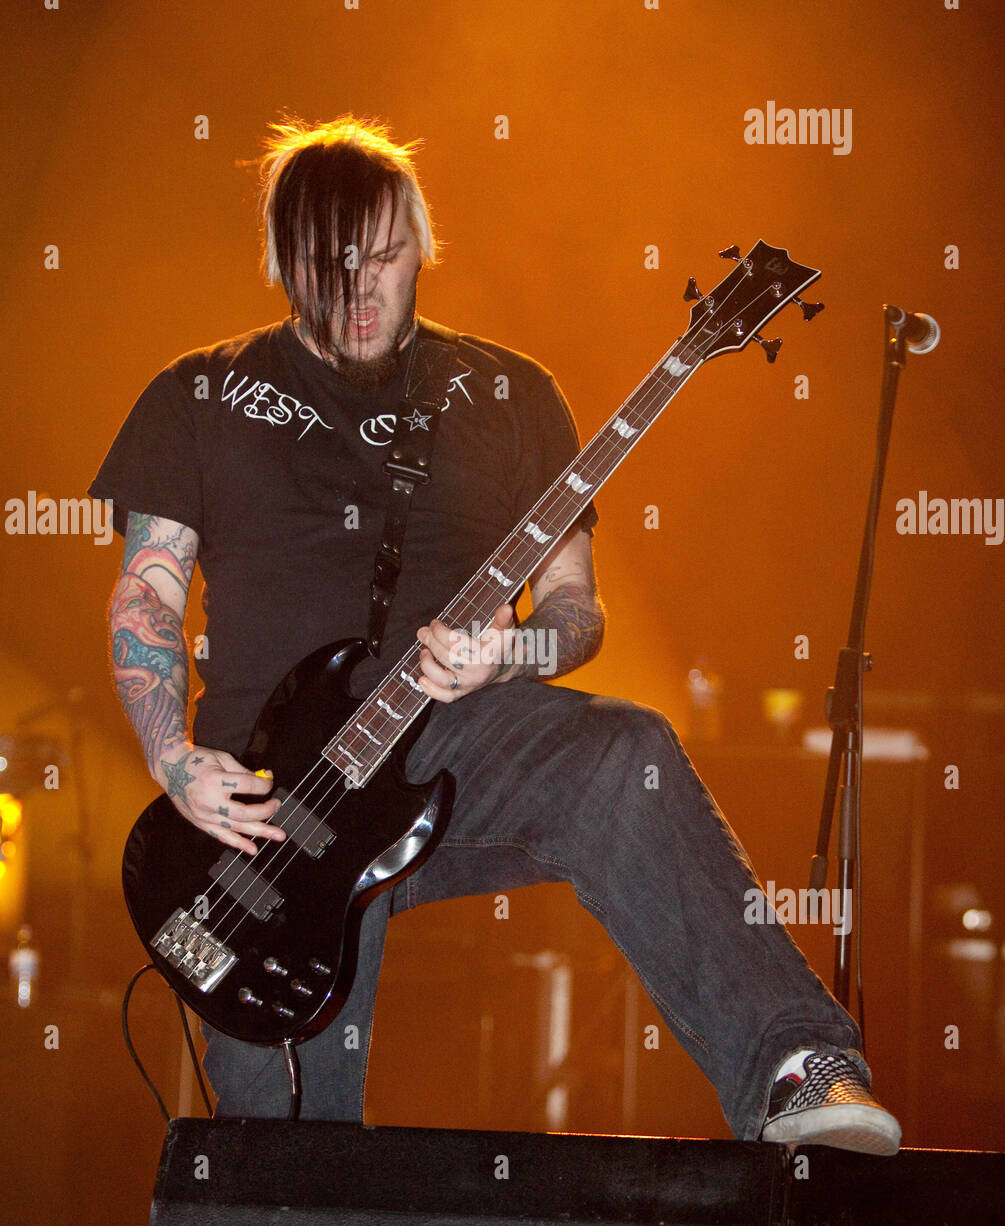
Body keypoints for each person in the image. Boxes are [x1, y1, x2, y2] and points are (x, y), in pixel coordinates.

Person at [89, 116, 900, 1153]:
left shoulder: (510, 396)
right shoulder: (196, 395)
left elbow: (573, 612)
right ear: (281, 262)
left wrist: (506, 655)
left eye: (384, 257)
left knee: (626, 753)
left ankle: (794, 1067)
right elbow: (147, 598)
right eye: (329, 268)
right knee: (287, 1147)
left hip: (451, 739)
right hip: (262, 798)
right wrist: (172, 760)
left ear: (423, 241)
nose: (362, 292)